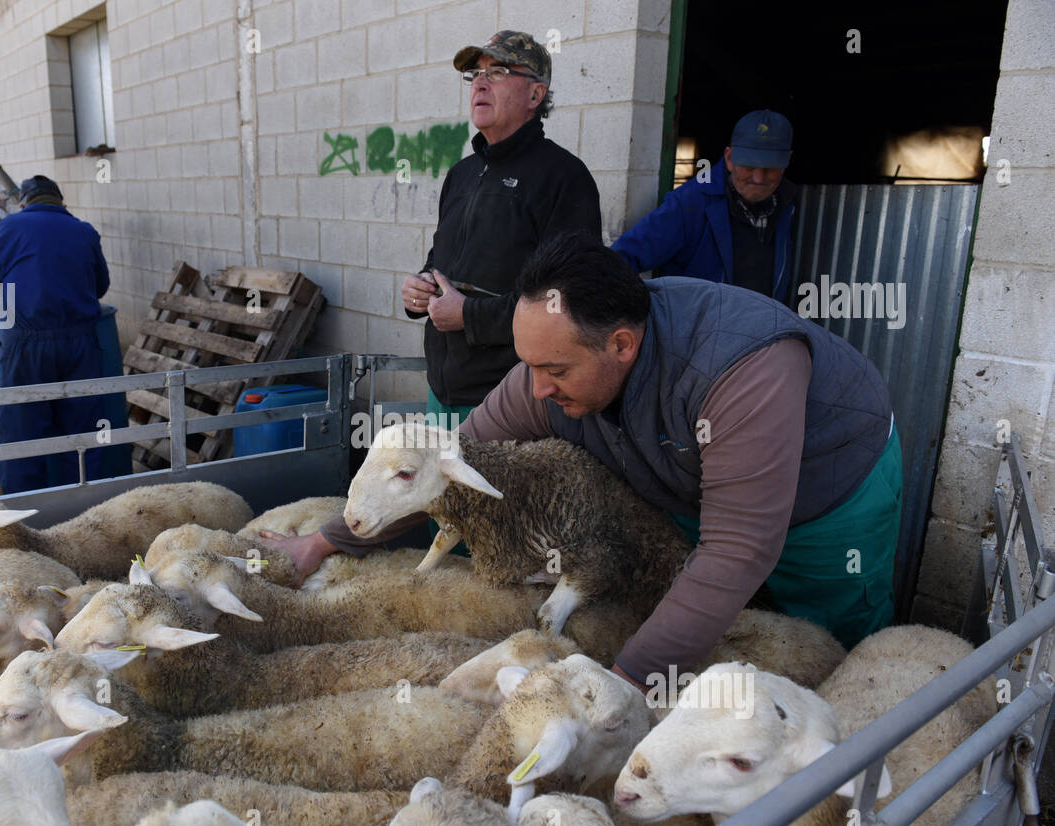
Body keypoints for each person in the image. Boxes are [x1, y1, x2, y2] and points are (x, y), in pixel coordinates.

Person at [268, 233, 901, 689]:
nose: (537, 388)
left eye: (554, 369)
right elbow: (447, 468)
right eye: (530, 365)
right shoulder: (550, 374)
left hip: (829, 497)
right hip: (688, 481)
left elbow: (738, 548)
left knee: (820, 656)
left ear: (621, 345)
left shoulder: (741, 369)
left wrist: (615, 690)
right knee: (712, 621)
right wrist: (324, 545)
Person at [401, 30, 602, 425]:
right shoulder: (462, 174)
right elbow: (442, 259)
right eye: (475, 74)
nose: (479, 82)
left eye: (497, 71)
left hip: (512, 401)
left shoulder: (563, 177)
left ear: (534, 95)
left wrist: (469, 316)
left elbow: (568, 302)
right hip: (441, 395)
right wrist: (420, 288)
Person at [0, 175, 116, 494]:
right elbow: (100, 286)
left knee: (22, 436)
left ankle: (25, 516)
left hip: (28, 348)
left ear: (23, 203)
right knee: (83, 434)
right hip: (81, 346)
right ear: (60, 202)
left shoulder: (11, 227)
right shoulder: (84, 231)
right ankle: (83, 511)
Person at [611, 109, 797, 304]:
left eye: (770, 169)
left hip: (762, 328)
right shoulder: (690, 202)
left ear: (787, 162)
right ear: (729, 158)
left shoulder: (787, 204)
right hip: (697, 332)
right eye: (749, 167)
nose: (759, 178)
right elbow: (619, 259)